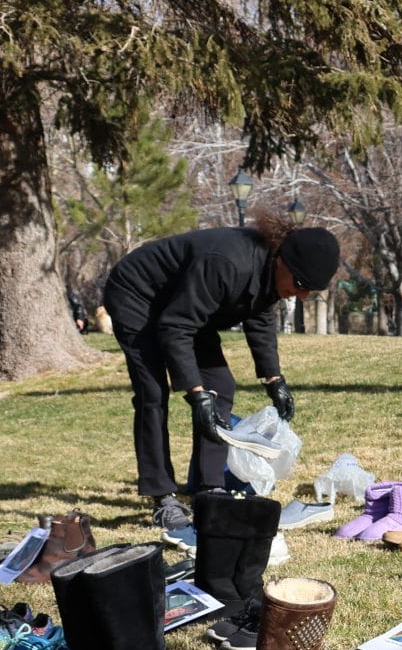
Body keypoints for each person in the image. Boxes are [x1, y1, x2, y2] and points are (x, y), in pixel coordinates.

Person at [102, 214, 340, 532]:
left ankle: (208, 488)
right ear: (281, 260)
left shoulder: (269, 271)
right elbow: (177, 327)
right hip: (138, 294)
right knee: (153, 392)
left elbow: (260, 317)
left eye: (310, 290)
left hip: (184, 305)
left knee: (221, 386)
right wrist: (195, 393)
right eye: (300, 284)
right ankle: (162, 497)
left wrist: (273, 378)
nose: (302, 295)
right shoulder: (226, 263)